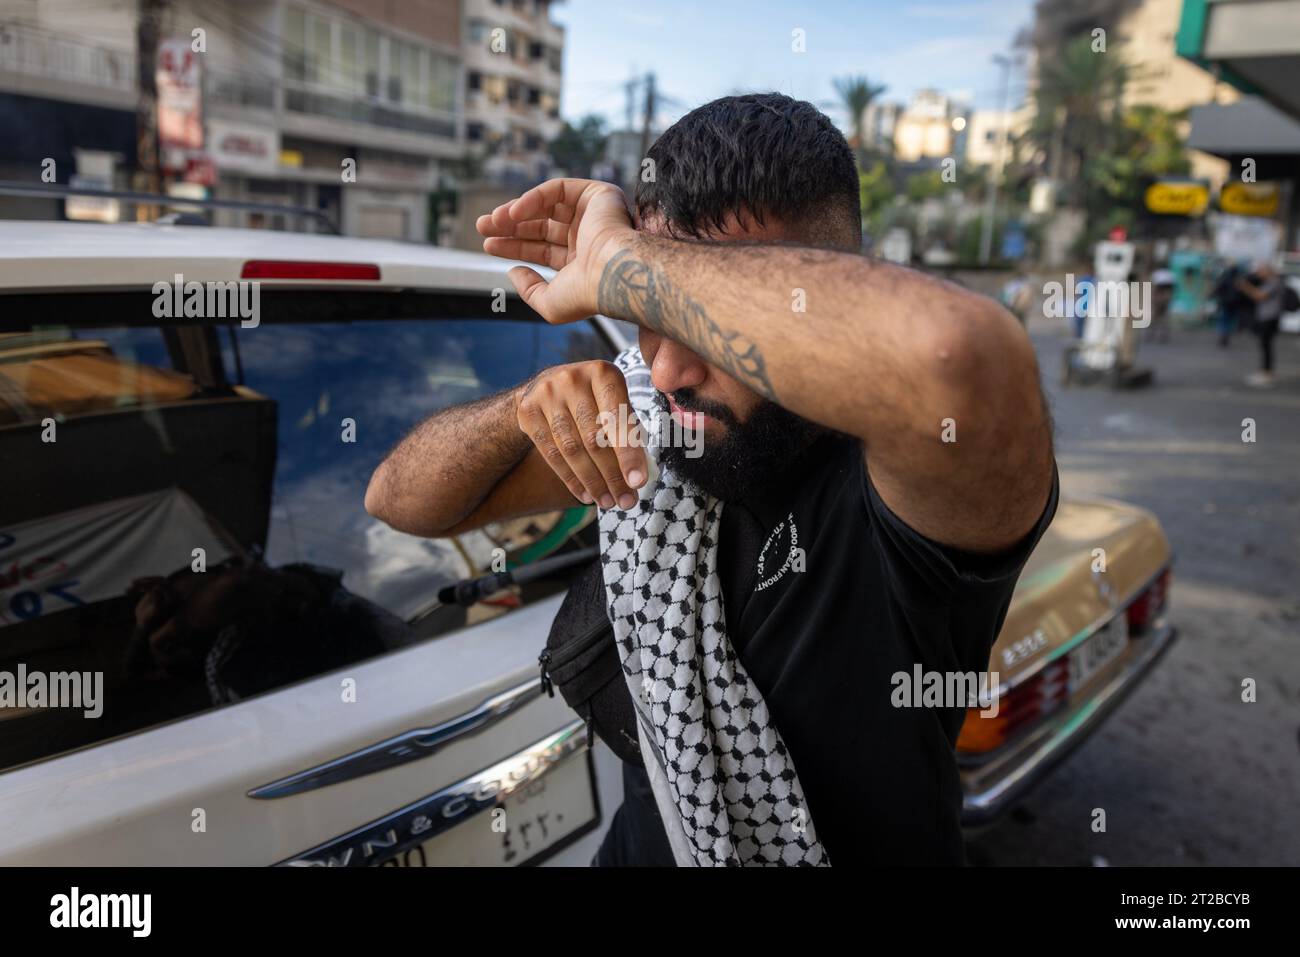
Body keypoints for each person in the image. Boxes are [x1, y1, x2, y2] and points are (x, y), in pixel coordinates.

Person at [365, 94, 1057, 866]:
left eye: (706, 320)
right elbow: (399, 499)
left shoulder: (899, 479)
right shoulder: (652, 420)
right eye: (646, 314)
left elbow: (961, 356)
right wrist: (522, 410)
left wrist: (618, 261)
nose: (667, 369)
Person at [1236, 261, 1285, 387]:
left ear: (1267, 271)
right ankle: (1265, 371)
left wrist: (1245, 286)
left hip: (1270, 317)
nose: (1258, 273)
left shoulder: (1274, 282)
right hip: (1266, 317)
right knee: (1264, 346)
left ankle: (1267, 374)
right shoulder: (1268, 282)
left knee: (1266, 346)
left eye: (1260, 270)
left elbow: (1260, 296)